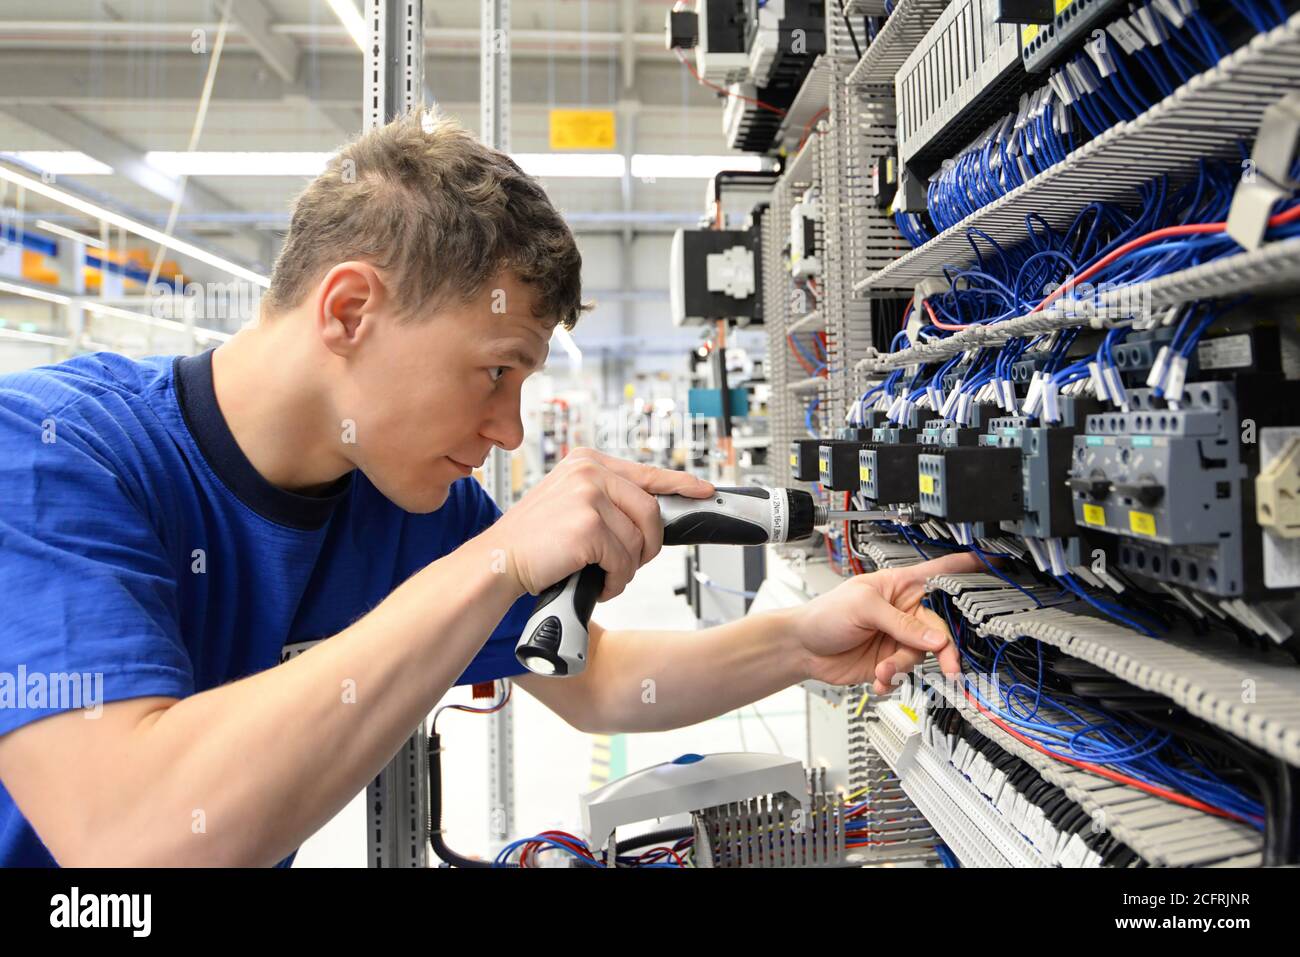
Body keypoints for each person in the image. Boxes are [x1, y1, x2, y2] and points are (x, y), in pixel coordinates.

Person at [0, 110, 973, 867]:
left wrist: (798, 642)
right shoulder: (52, 457)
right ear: (349, 311)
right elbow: (132, 837)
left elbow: (587, 682)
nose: (508, 429)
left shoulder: (403, 500)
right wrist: (497, 562)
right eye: (495, 371)